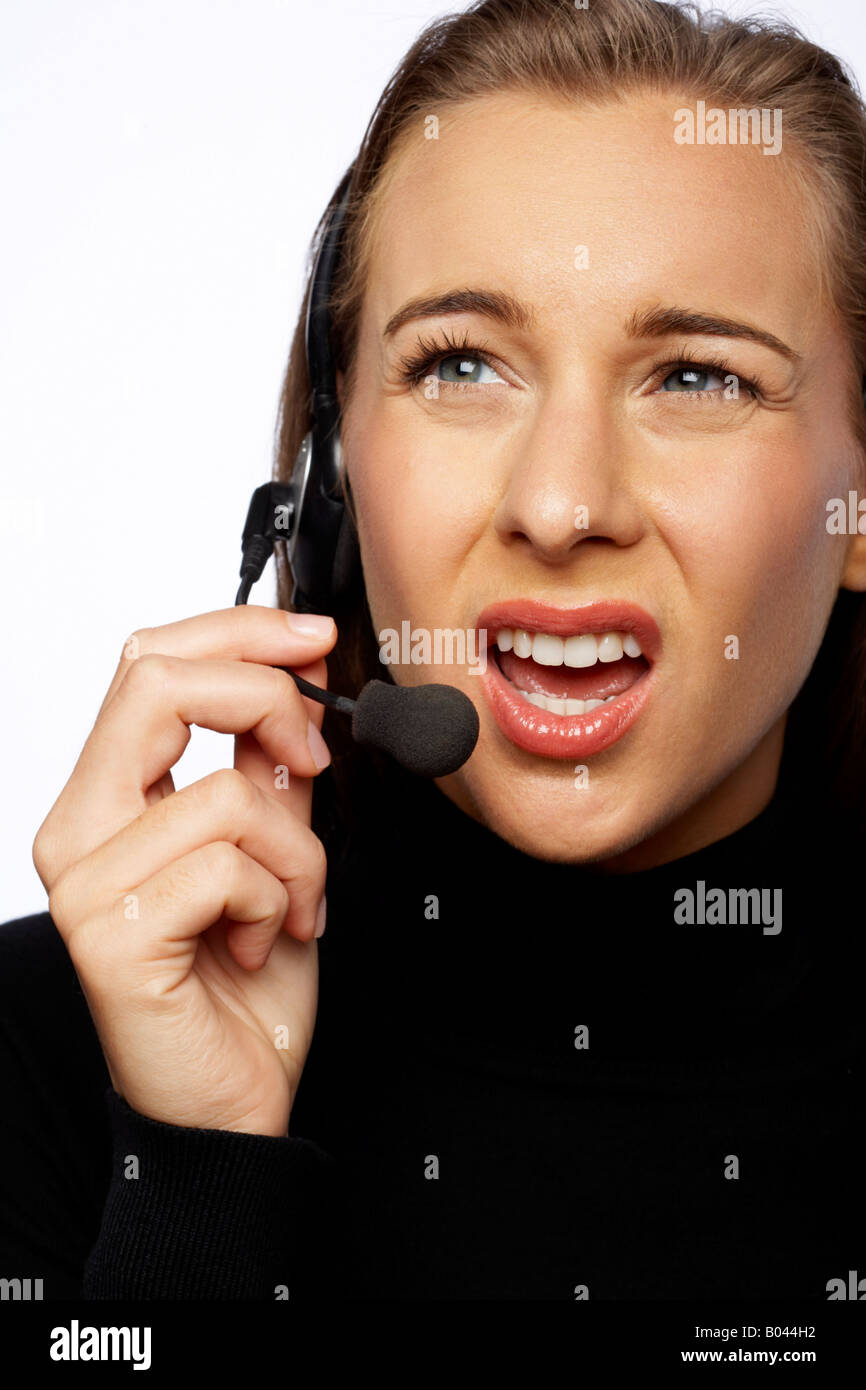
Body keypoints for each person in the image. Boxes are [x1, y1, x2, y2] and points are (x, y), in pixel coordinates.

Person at [1, 0, 864, 1300]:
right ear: (332, 478)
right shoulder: (36, 1056)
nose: (560, 506)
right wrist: (192, 1181)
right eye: (461, 366)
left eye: (697, 377)